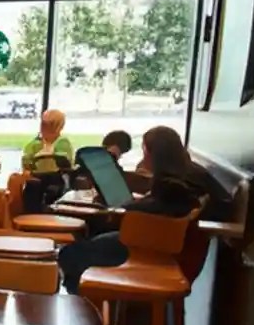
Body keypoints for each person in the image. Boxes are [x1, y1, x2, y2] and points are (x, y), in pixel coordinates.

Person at [57, 125, 230, 293]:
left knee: (70, 255)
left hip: (153, 253)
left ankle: (90, 311)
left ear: (150, 153)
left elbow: (158, 206)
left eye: (144, 151)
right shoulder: (194, 174)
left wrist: (128, 205)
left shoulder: (172, 185)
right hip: (175, 251)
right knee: (91, 243)